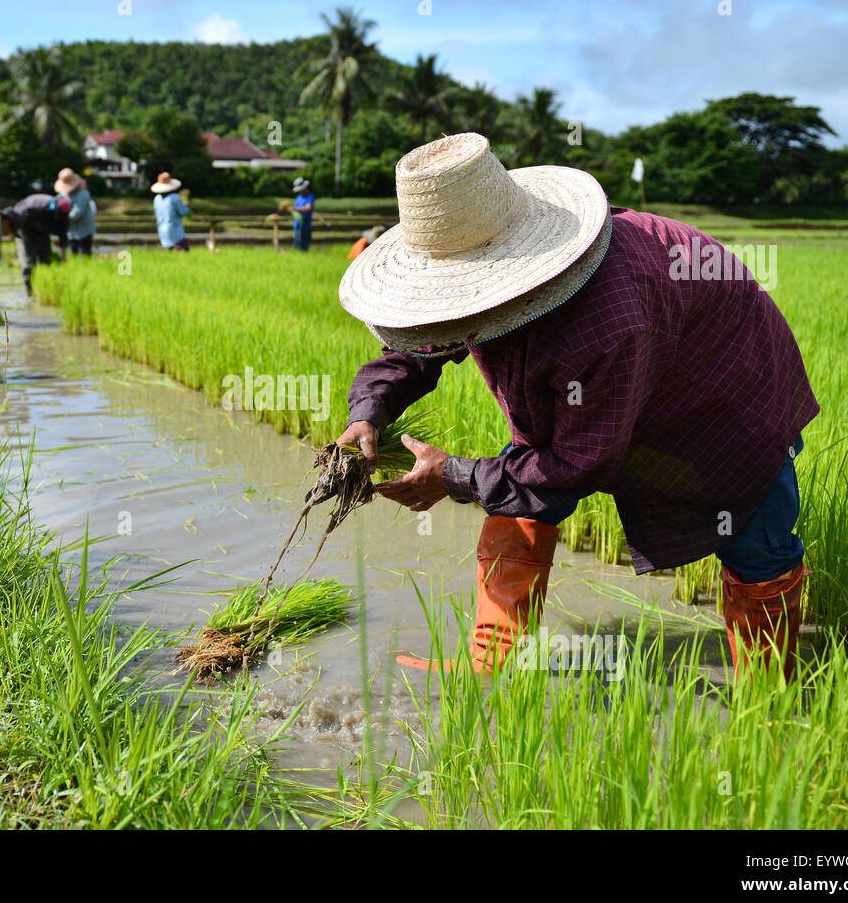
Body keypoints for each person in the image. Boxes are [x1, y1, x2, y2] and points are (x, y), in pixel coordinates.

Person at [337, 133, 819, 683]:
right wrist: (368, 410)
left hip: (728, 402)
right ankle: (491, 667)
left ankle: (768, 700)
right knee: (518, 498)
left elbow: (577, 464)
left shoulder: (606, 319)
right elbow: (421, 343)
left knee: (754, 541)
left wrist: (453, 476)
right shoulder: (491, 276)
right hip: (631, 373)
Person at [2, 191, 70, 294]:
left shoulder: (64, 216)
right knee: (29, 261)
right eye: (57, 216)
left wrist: (63, 258)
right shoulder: (34, 207)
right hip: (25, 226)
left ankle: (46, 288)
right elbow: (16, 223)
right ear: (54, 211)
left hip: (42, 229)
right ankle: (29, 289)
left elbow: (63, 237)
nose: (57, 218)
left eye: (60, 218)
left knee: (47, 260)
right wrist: (17, 237)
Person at [56, 168, 96, 256]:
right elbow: (56, 203)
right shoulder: (63, 195)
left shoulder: (83, 194)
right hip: (72, 230)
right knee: (75, 254)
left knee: (85, 254)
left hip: (85, 229)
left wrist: (62, 219)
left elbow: (78, 212)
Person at [150, 171, 191, 251]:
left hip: (162, 230)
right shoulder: (175, 197)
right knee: (183, 250)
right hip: (175, 229)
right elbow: (183, 212)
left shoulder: (156, 199)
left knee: (168, 252)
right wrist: (186, 205)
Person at [292, 177, 314, 251]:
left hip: (306, 225)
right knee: (297, 245)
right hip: (297, 224)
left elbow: (308, 208)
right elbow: (295, 208)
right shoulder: (298, 197)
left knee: (304, 246)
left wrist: (295, 208)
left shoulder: (310, 196)